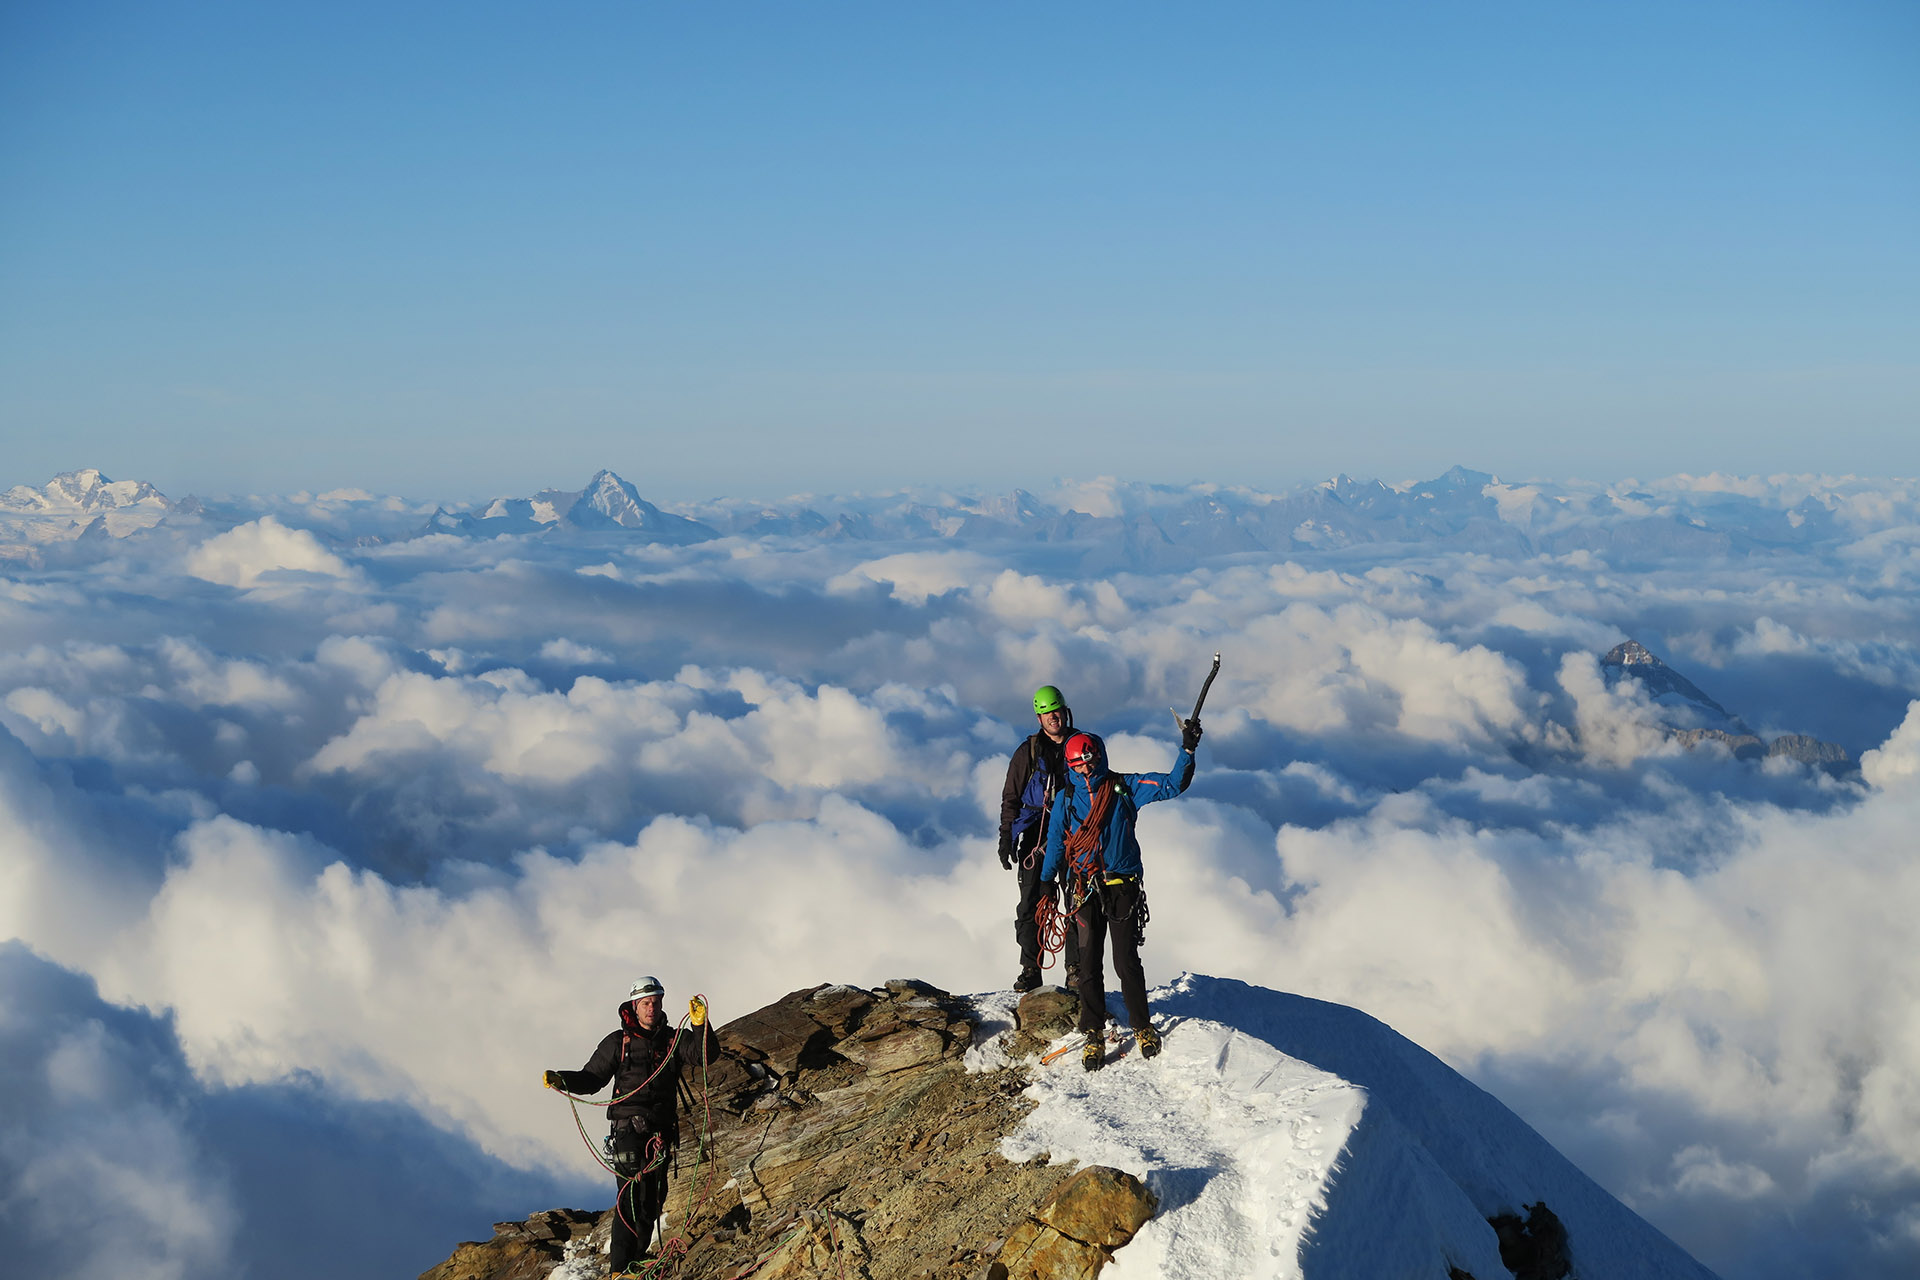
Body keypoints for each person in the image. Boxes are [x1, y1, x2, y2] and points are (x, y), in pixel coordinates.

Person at [1040, 719, 1201, 1071]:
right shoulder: (1067, 799)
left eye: (1090, 759)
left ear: (1100, 756)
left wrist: (1187, 750)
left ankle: (1142, 1026)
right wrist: (1046, 882)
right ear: (1069, 766)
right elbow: (1055, 843)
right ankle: (1093, 1032)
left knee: (1125, 961)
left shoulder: (1124, 786)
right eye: (1078, 763)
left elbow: (1173, 784)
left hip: (1120, 885)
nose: (1086, 767)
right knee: (1087, 964)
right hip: (1082, 887)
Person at [543, 976, 722, 1275]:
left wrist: (700, 1025)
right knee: (630, 1199)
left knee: (653, 1200)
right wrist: (563, 1079)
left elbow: (705, 1056)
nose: (652, 1008)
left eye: (656, 1002)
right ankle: (619, 1269)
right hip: (628, 1131)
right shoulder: (618, 1042)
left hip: (662, 1132)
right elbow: (592, 1078)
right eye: (646, 1003)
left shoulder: (673, 1039)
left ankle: (634, 1264)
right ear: (635, 1006)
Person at [999, 684, 1080, 993]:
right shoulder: (1028, 752)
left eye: (1055, 711)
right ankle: (1031, 968)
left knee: (1076, 901)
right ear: (1039, 717)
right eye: (1046, 714)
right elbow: (1012, 796)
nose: (1053, 718)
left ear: (1064, 710)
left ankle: (1075, 969)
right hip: (1036, 834)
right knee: (1032, 903)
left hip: (1074, 834)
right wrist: (1006, 836)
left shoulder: (1081, 744)